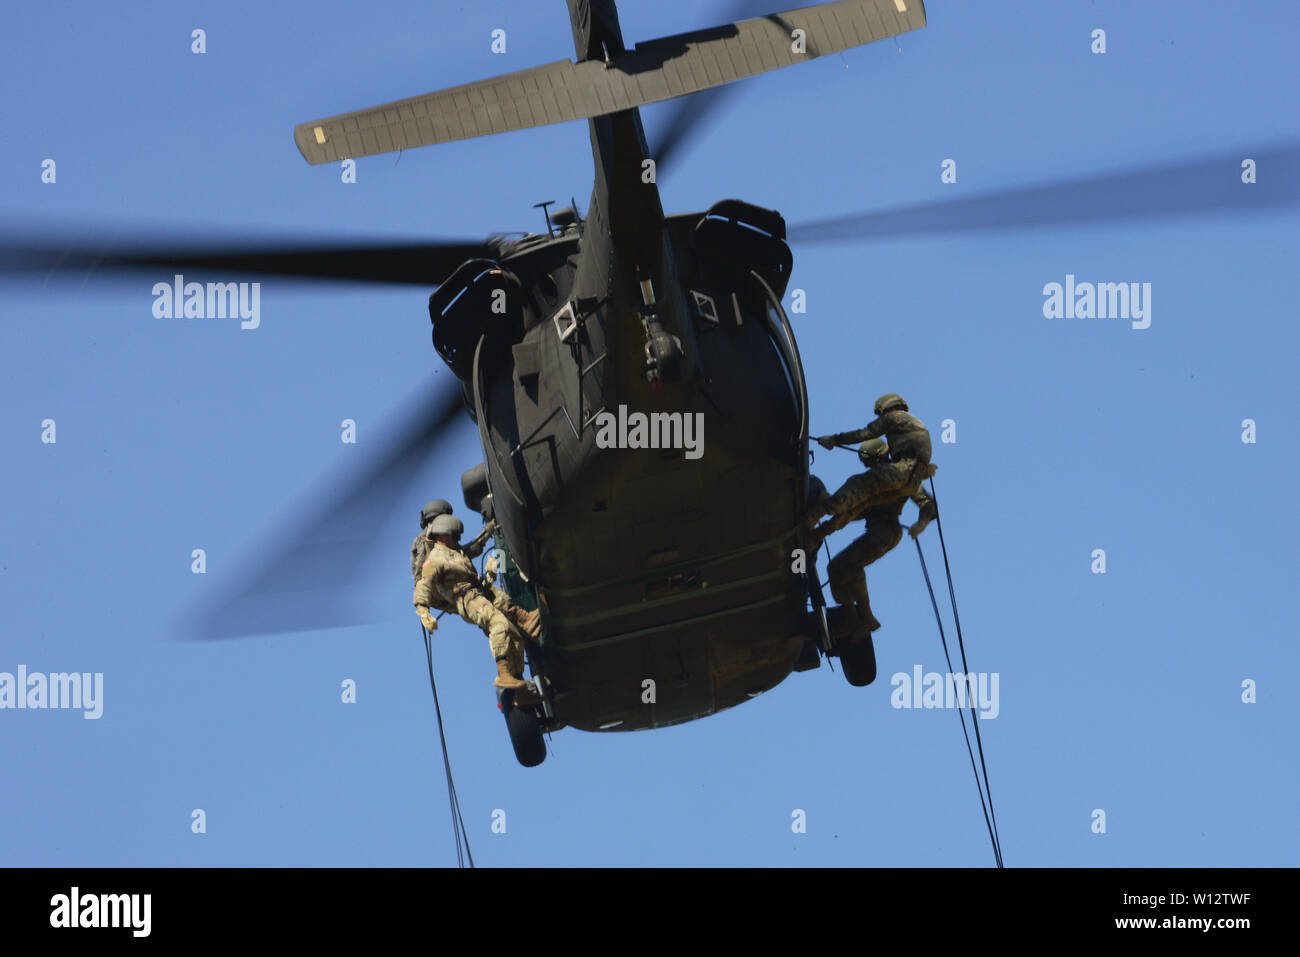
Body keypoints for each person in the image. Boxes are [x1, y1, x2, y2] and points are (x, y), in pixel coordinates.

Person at [810, 433, 937, 633]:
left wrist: (820, 527)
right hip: (884, 533)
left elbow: (849, 510)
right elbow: (853, 512)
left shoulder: (884, 481)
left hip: (885, 533)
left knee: (851, 564)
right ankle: (851, 617)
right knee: (836, 567)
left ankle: (866, 617)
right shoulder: (891, 482)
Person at [413, 515, 536, 697]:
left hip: (479, 593)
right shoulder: (434, 559)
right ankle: (503, 673)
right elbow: (423, 584)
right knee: (499, 624)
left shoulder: (457, 553)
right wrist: (423, 612)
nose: (458, 539)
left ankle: (516, 682)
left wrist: (489, 574)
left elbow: (473, 557)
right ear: (443, 535)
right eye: (455, 534)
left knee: (515, 636)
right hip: (467, 600)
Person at [807, 393, 932, 532]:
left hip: (902, 472)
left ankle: (816, 515)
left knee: (856, 484)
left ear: (889, 408)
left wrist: (834, 440)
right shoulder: (914, 426)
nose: (881, 418)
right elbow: (927, 502)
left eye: (881, 414)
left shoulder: (895, 417)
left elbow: (865, 433)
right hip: (911, 483)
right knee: (863, 503)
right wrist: (921, 523)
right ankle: (818, 533)